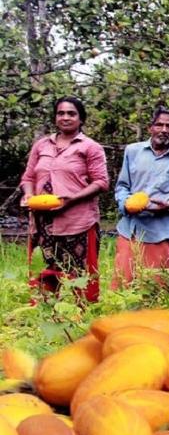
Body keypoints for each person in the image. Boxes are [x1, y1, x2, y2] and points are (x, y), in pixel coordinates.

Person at [19, 96, 108, 302]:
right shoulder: (42, 145)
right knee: (43, 276)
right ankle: (44, 317)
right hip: (42, 224)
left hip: (77, 222)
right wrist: (29, 194)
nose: (65, 117)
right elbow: (28, 177)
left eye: (71, 113)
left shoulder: (90, 147)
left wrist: (72, 199)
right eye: (61, 113)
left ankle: (82, 322)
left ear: (81, 119)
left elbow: (101, 182)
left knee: (81, 279)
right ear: (55, 117)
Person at [113, 105, 169, 287]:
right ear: (150, 128)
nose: (164, 130)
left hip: (161, 231)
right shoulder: (133, 151)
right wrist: (126, 203)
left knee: (156, 290)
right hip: (130, 230)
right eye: (159, 125)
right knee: (122, 287)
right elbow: (122, 186)